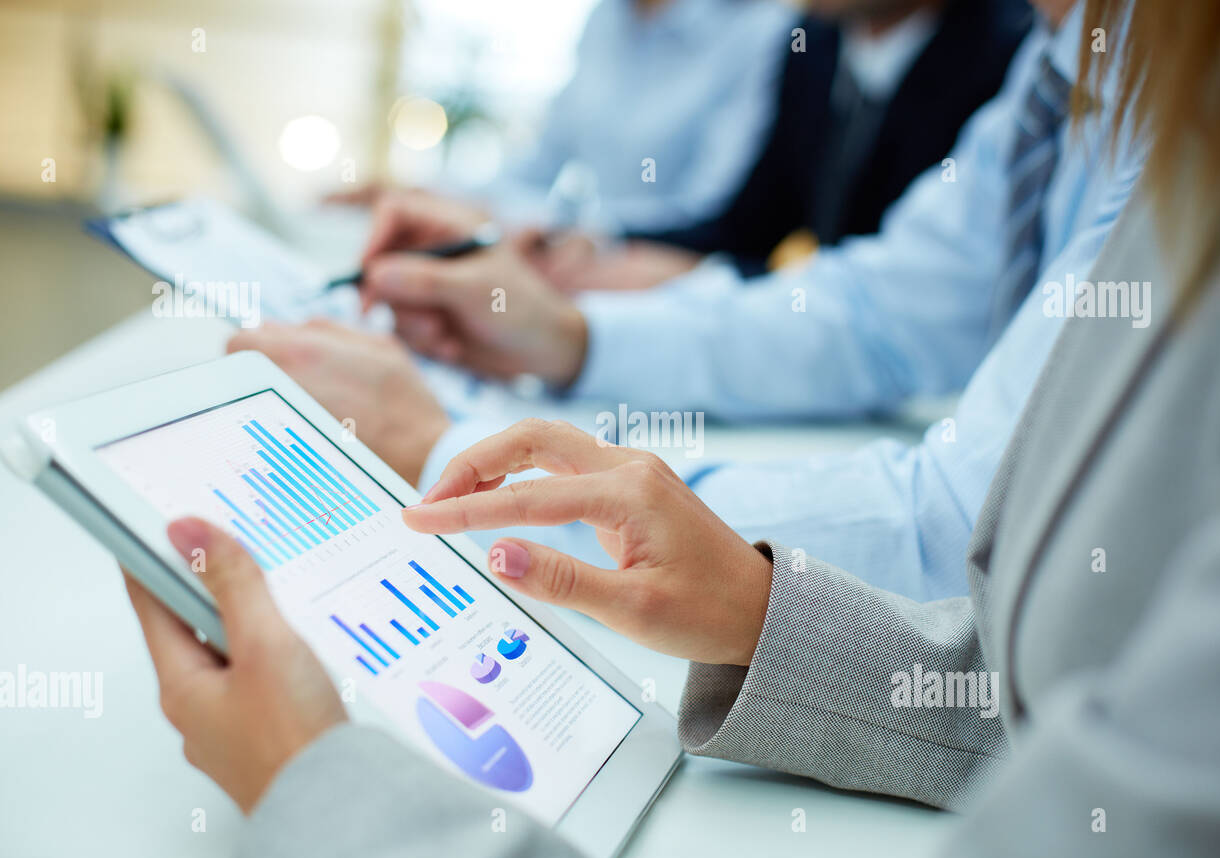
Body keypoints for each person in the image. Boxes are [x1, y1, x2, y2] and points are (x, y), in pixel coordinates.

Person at [127, 0, 1220, 858]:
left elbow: (967, 526)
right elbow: (884, 308)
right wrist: (769, 620)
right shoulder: (1097, 59)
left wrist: (324, 795)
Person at [233, 0, 1141, 605]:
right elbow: (878, 314)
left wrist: (452, 462)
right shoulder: (1061, 67)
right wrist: (572, 341)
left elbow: (960, 541)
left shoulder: (1204, 97)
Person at [536, 0, 1034, 290]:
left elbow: (923, 280)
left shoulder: (1010, 52)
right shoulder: (810, 44)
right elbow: (750, 223)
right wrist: (607, 241)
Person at [347, 0, 795, 241]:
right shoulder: (605, 18)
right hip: (574, 264)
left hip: (670, 280)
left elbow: (712, 216)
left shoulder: (763, 29)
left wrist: (564, 228)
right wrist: (429, 193)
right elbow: (542, 163)